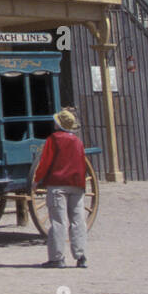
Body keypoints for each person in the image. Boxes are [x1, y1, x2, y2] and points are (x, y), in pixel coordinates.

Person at [33, 107, 88, 268]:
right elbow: (82, 162)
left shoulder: (54, 139)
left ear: (58, 124)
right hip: (77, 185)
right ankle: (81, 256)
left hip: (57, 185)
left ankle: (57, 258)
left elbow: (45, 162)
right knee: (78, 220)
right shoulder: (77, 141)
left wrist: (37, 180)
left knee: (58, 221)